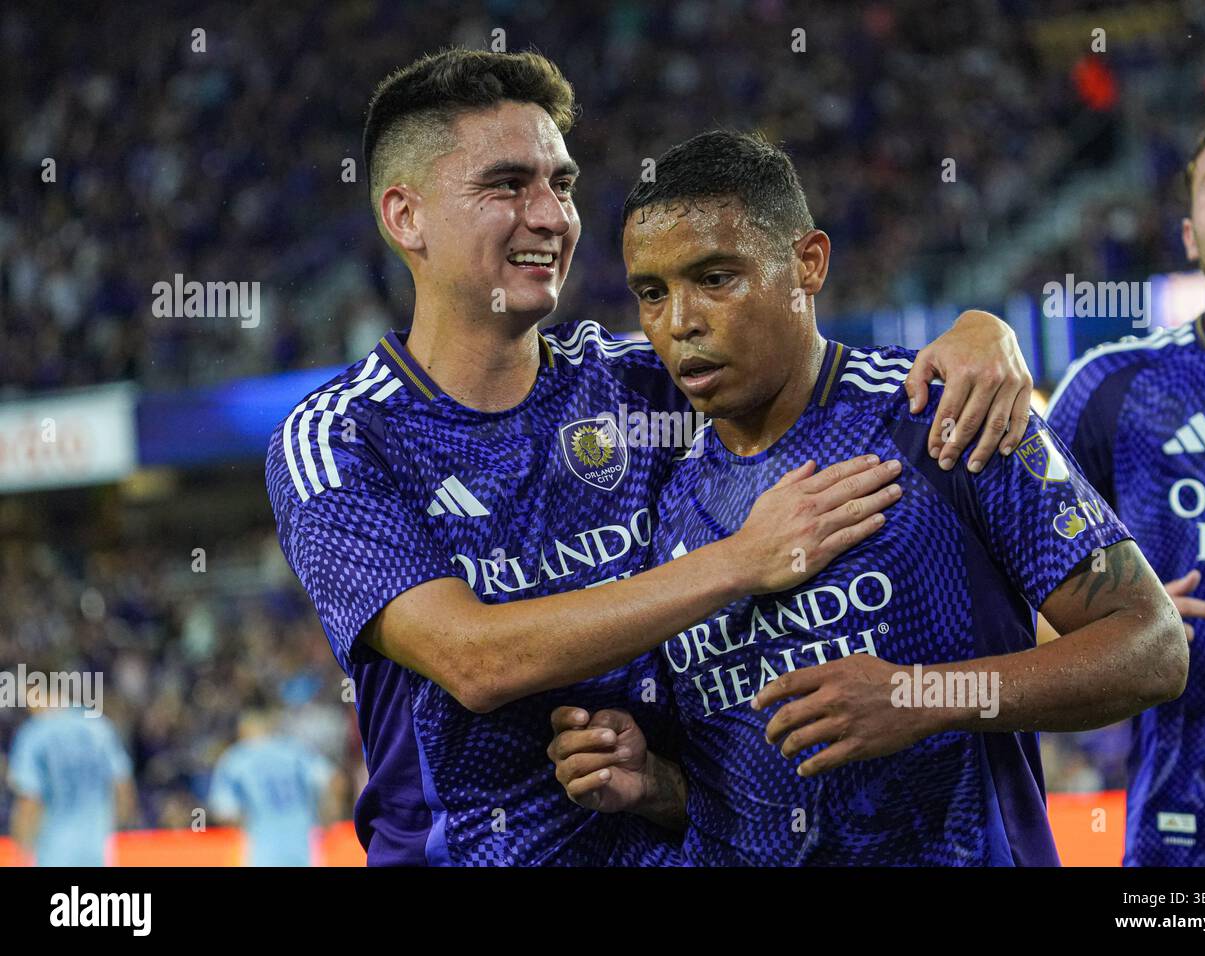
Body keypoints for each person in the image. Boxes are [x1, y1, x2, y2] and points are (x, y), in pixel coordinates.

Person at [266, 47, 1034, 866]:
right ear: (405, 216)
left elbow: (799, 354)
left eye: (560, 185)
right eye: (506, 186)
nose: (551, 217)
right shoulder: (342, 439)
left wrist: (974, 333)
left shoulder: (641, 383)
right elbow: (474, 659)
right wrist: (742, 561)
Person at [547, 130, 1188, 865]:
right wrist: (654, 783)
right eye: (652, 293)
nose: (680, 321)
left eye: (716, 277)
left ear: (808, 263)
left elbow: (1152, 648)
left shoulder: (943, 423)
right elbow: (739, 788)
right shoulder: (665, 501)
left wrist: (920, 696)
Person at [1045, 95, 1205, 866]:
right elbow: (994, 596)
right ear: (1191, 234)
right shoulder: (1113, 388)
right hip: (1180, 850)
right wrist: (1114, 623)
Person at [6, 698, 134, 866]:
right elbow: (123, 788)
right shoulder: (99, 727)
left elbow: (29, 801)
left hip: (53, 854)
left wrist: (21, 851)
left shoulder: (34, 733)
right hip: (96, 852)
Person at [208, 709, 340, 867]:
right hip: (303, 847)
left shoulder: (237, 758)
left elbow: (224, 812)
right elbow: (335, 781)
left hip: (262, 852)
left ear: (243, 730)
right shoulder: (295, 750)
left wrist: (247, 824)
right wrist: (327, 818)